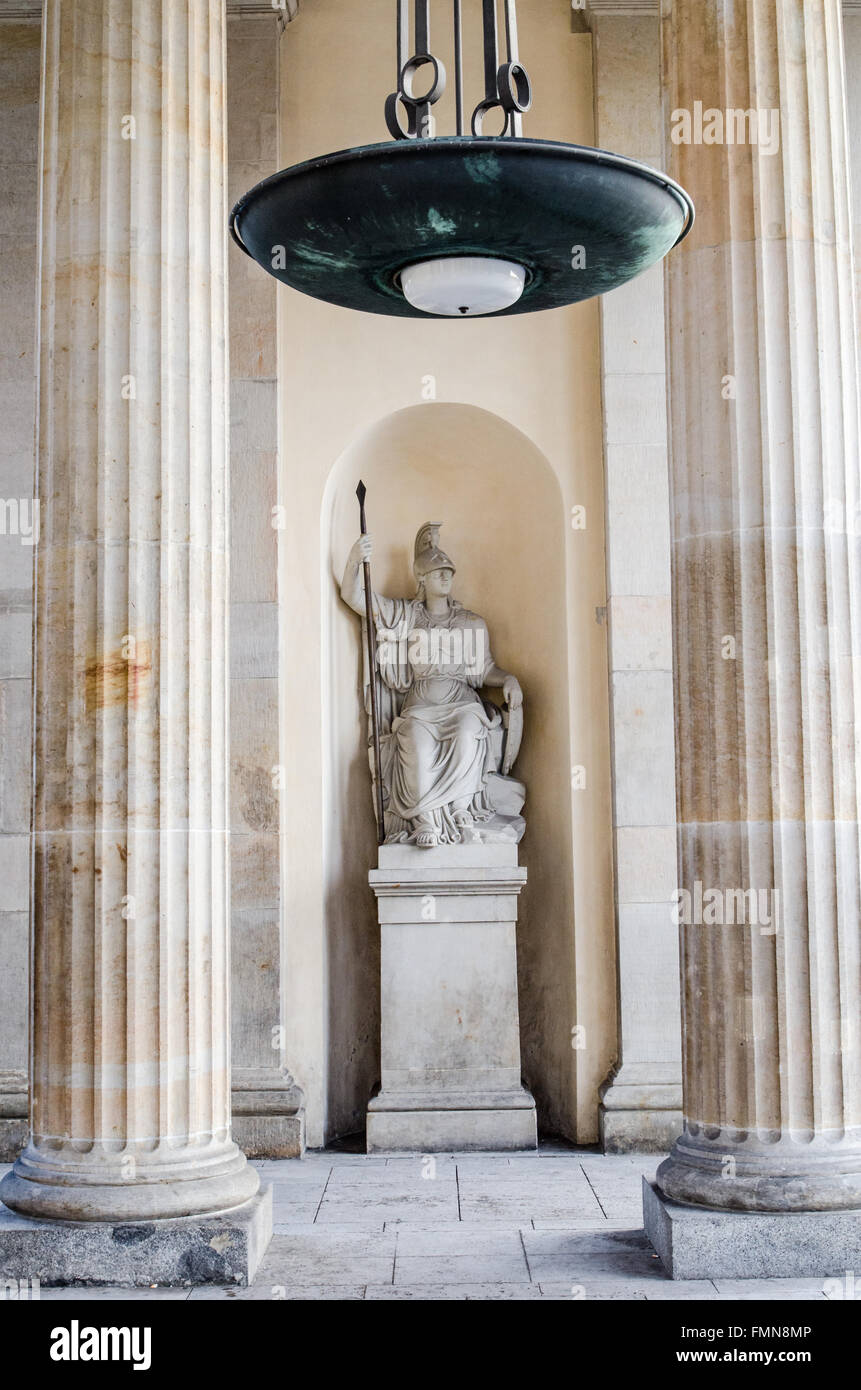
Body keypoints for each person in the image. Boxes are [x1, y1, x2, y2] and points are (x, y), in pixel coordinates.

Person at [341, 522, 523, 848]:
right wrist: (356, 560)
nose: (446, 576)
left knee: (470, 728)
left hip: (461, 700)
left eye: (449, 572)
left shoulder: (472, 622)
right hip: (422, 705)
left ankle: (461, 809)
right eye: (438, 571)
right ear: (421, 579)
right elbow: (354, 597)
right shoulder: (405, 617)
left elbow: (484, 670)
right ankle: (425, 818)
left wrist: (508, 678)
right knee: (412, 737)